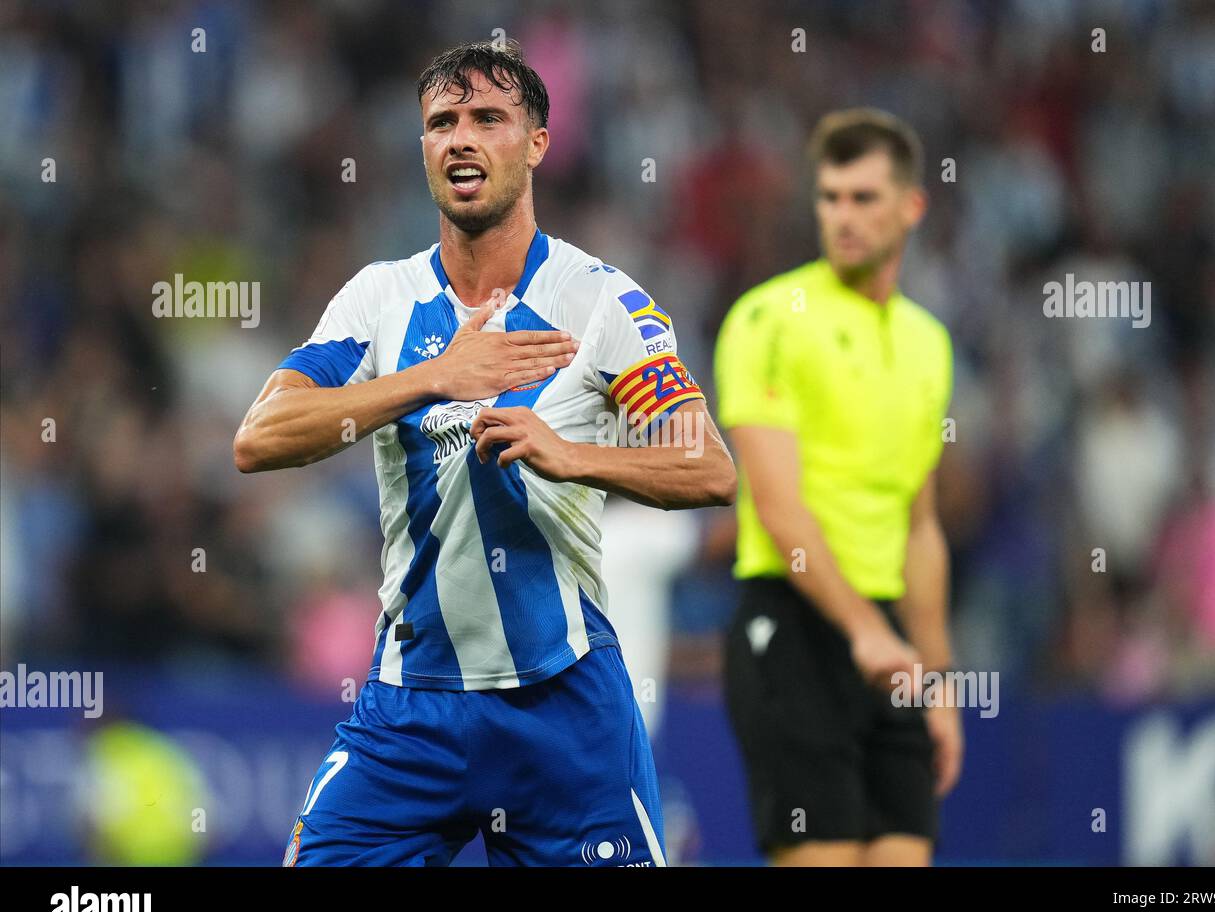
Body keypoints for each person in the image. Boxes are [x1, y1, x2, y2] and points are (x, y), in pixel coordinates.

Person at [233, 39, 735, 867]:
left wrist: (575, 456)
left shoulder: (603, 302)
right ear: (424, 147)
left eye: (489, 119)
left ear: (537, 142)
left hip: (564, 707)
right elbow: (261, 437)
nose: (462, 138)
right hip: (411, 708)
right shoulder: (379, 300)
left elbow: (709, 467)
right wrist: (435, 377)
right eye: (443, 122)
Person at [715, 107, 960, 867]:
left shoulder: (929, 342)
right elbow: (778, 509)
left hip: (886, 643)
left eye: (863, 198)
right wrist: (863, 631)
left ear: (911, 206)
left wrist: (938, 679)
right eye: (829, 197)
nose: (842, 217)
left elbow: (920, 525)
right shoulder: (768, 319)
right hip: (793, 630)